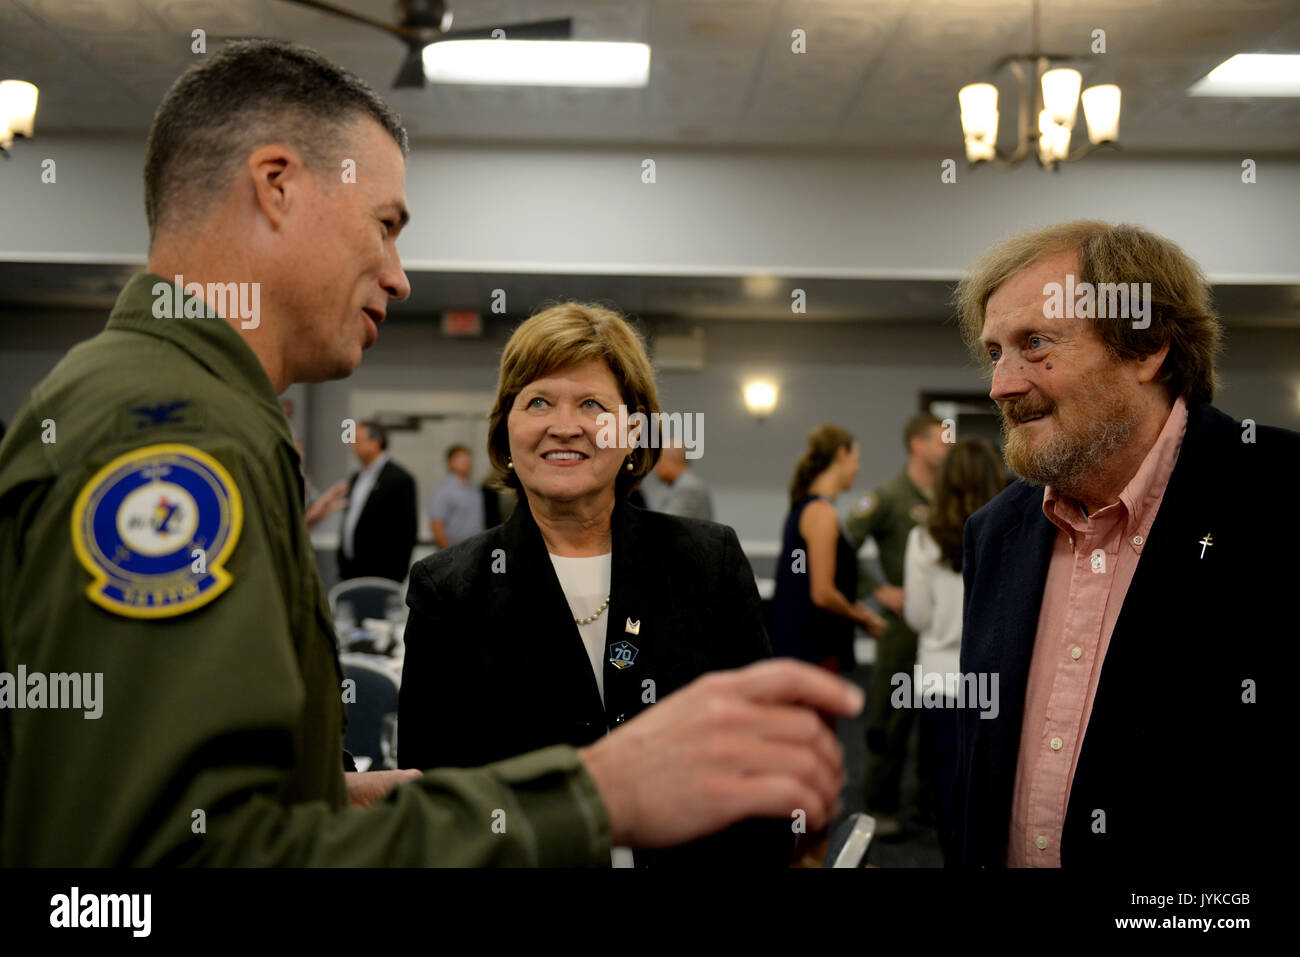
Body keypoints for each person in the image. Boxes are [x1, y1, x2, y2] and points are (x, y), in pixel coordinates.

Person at [0, 40, 860, 866]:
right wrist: (592, 793)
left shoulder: (195, 412)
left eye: (593, 404)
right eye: (385, 224)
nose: (399, 273)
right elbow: (147, 864)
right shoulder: (169, 433)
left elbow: (162, 804)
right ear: (277, 187)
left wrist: (323, 804)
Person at [398, 302, 794, 868]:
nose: (565, 426)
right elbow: (436, 804)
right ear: (506, 429)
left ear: (633, 430)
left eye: (591, 404)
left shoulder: (707, 562)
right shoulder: (449, 589)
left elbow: (761, 761)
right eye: (538, 402)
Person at [952, 219, 1296, 868]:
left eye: (1034, 343)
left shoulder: (1278, 501)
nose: (1001, 384)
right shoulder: (995, 532)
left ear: (1146, 348)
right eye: (995, 351)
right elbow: (975, 768)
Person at [900, 437, 1005, 860]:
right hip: (993, 679)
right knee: (993, 789)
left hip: (939, 681)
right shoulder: (1009, 534)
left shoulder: (924, 538)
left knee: (947, 787)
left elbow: (918, 618)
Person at [847, 413, 949, 837]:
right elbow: (839, 546)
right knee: (891, 716)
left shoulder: (949, 496)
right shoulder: (888, 496)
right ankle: (880, 806)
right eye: (941, 440)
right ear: (917, 444)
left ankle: (929, 805)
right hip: (902, 626)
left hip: (942, 626)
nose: (948, 447)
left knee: (938, 718)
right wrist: (878, 589)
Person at [771, 425, 886, 673]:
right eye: (856, 460)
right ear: (841, 454)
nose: (857, 468)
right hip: (813, 651)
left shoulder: (809, 507)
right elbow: (823, 593)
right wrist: (860, 616)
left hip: (801, 648)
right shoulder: (821, 513)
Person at [337, 421, 417, 582]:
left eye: (357, 440)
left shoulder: (399, 479)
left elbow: (407, 531)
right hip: (350, 571)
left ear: (375, 442)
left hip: (382, 573)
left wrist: (396, 575)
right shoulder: (356, 477)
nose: (352, 446)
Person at [427, 443, 485, 549]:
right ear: (449, 463)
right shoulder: (443, 491)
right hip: (454, 551)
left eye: (468, 458)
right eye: (461, 459)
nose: (467, 462)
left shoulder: (475, 490)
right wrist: (449, 555)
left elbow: (480, 522)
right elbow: (437, 526)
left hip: (475, 551)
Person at [652, 441, 713, 520]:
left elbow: (666, 524)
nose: (655, 468)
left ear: (672, 460)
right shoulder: (685, 485)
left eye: (658, 461)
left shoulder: (688, 489)